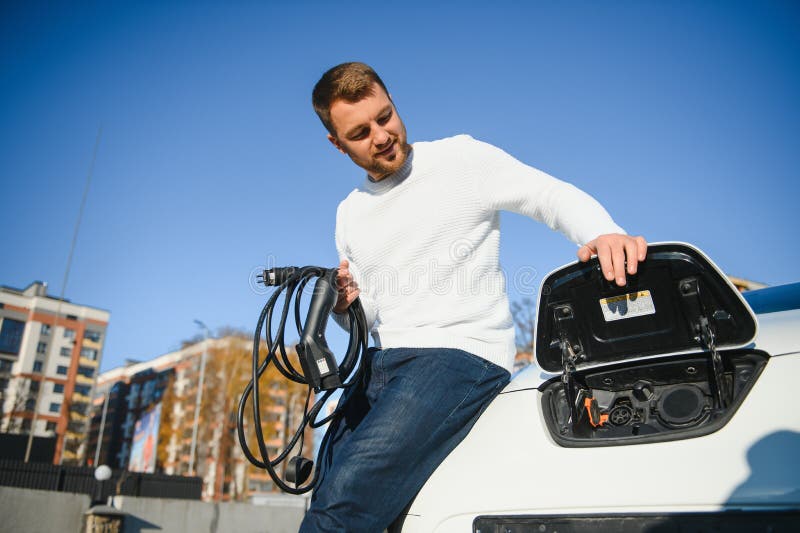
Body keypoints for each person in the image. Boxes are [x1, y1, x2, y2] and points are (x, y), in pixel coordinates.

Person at [300, 62, 647, 532]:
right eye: (360, 132)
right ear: (336, 144)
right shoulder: (350, 212)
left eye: (386, 117)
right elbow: (371, 314)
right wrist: (346, 309)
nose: (382, 136)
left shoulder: (460, 159)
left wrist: (604, 232)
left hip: (459, 354)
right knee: (328, 488)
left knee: (343, 507)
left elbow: (546, 194)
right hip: (380, 364)